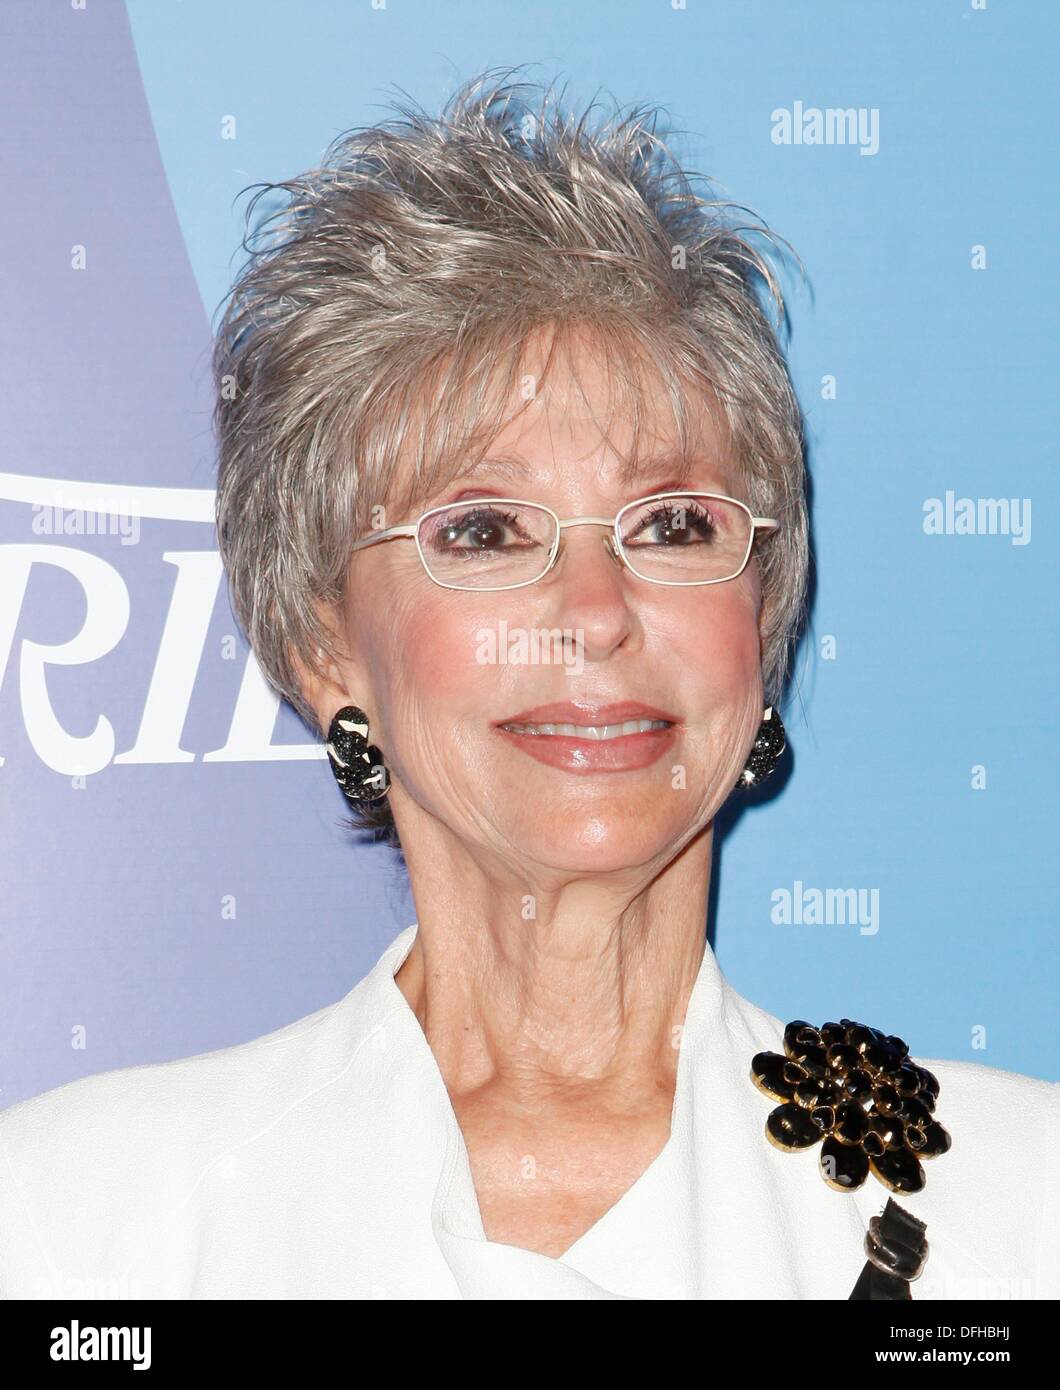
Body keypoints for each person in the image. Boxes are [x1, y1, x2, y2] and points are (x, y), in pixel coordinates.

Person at [0, 70, 1055, 1302]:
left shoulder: (1018, 1201)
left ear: (759, 621)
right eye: (486, 530)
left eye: (669, 523)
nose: (598, 616)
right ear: (323, 643)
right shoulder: (76, 1220)